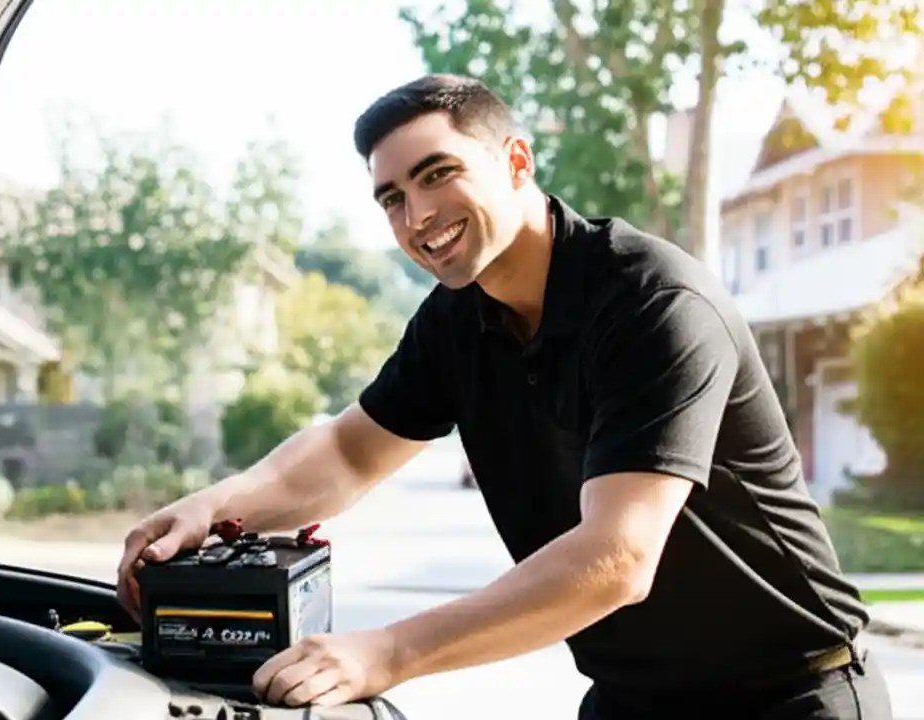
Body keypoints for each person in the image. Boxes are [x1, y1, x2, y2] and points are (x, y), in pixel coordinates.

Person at [115, 74, 892, 719]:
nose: (418, 217)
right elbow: (349, 454)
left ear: (516, 161)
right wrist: (213, 510)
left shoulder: (654, 303)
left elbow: (618, 559)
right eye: (391, 198)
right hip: (632, 699)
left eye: (437, 175)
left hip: (790, 693)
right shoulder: (456, 321)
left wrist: (387, 651)